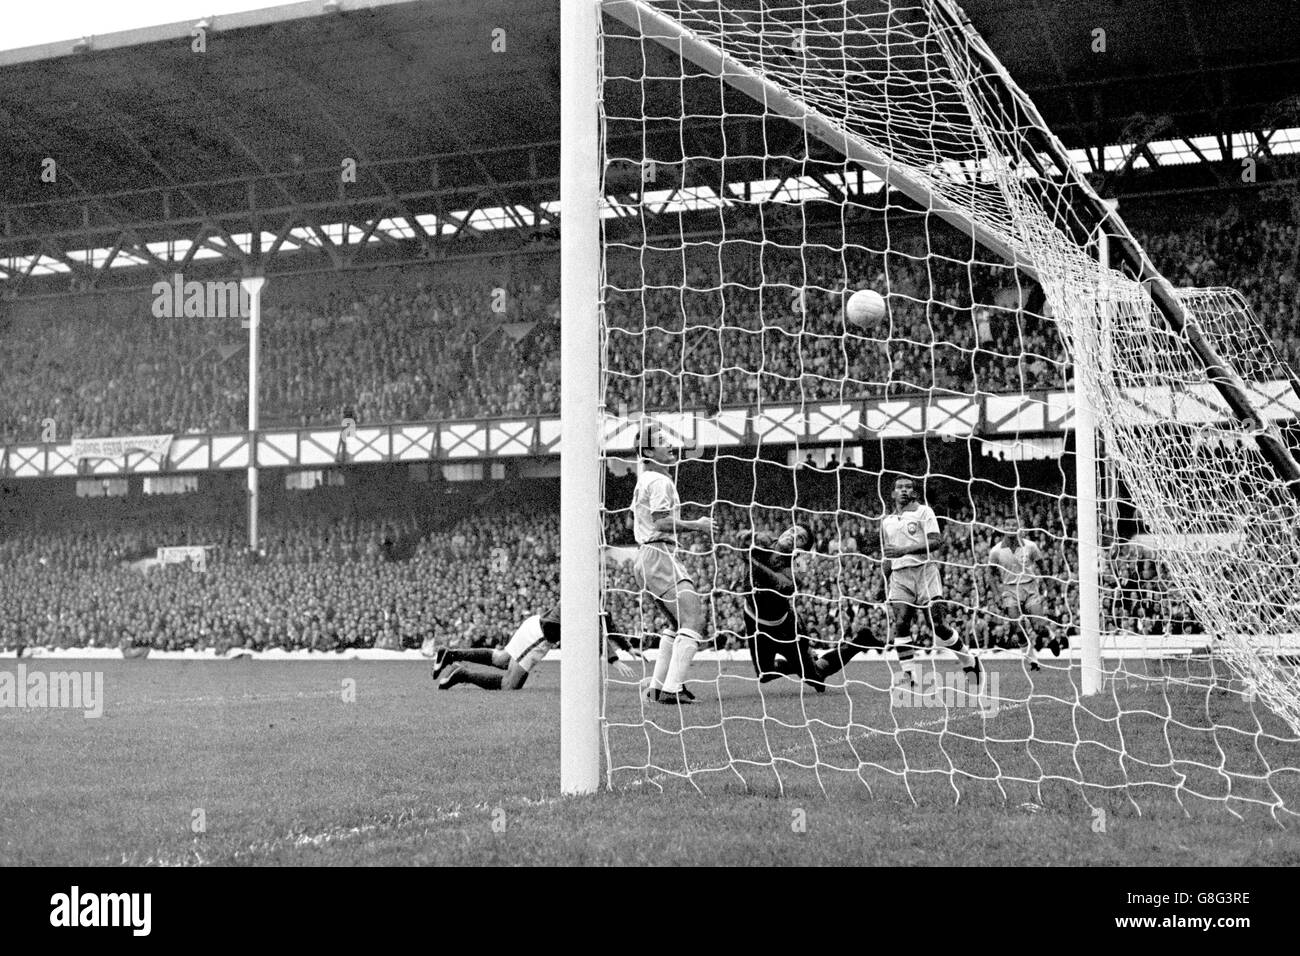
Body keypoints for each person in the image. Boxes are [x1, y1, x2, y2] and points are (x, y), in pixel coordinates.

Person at [633, 428, 712, 705]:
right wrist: (697, 525)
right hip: (659, 554)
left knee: (676, 622)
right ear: (647, 452)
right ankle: (672, 689)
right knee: (693, 619)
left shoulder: (648, 479)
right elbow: (661, 522)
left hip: (648, 557)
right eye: (662, 443)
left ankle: (658, 687)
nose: (670, 446)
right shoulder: (659, 482)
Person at [431, 605, 637, 690]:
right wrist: (614, 659)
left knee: (501, 659)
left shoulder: (590, 595)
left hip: (534, 625)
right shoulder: (584, 598)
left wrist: (627, 648)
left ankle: (450, 654)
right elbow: (594, 630)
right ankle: (462, 674)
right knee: (509, 685)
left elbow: (606, 623)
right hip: (539, 636)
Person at [988, 521, 1063, 670]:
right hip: (1009, 590)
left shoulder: (1030, 546)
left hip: (1030, 588)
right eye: (1007, 525)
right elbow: (990, 574)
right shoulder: (996, 551)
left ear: (1018, 528)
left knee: (1038, 627)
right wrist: (996, 595)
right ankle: (1032, 661)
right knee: (1017, 628)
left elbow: (1042, 566)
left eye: (1013, 525)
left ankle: (1051, 637)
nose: (1010, 528)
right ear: (1002, 528)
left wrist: (1049, 585)